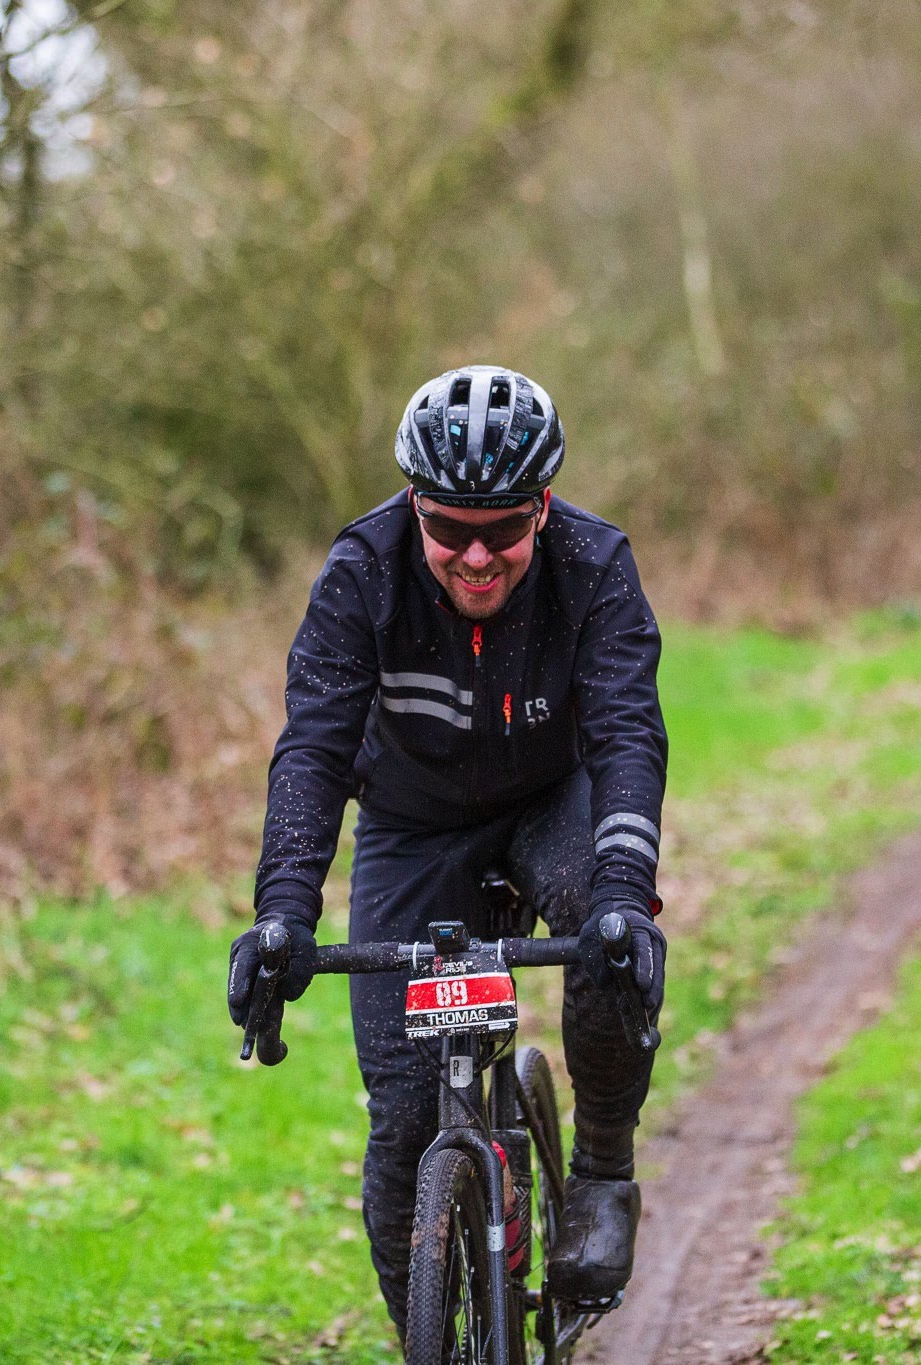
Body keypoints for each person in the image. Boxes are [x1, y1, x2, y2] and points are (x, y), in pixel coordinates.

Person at [227, 364, 669, 1333]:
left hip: (553, 799)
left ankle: (599, 1169)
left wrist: (624, 891)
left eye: (503, 529)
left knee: (607, 944)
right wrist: (281, 912)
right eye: (448, 529)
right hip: (413, 825)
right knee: (398, 1132)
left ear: (542, 508)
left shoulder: (593, 566)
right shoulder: (362, 572)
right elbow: (313, 749)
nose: (475, 556)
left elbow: (627, 734)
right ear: (413, 506)